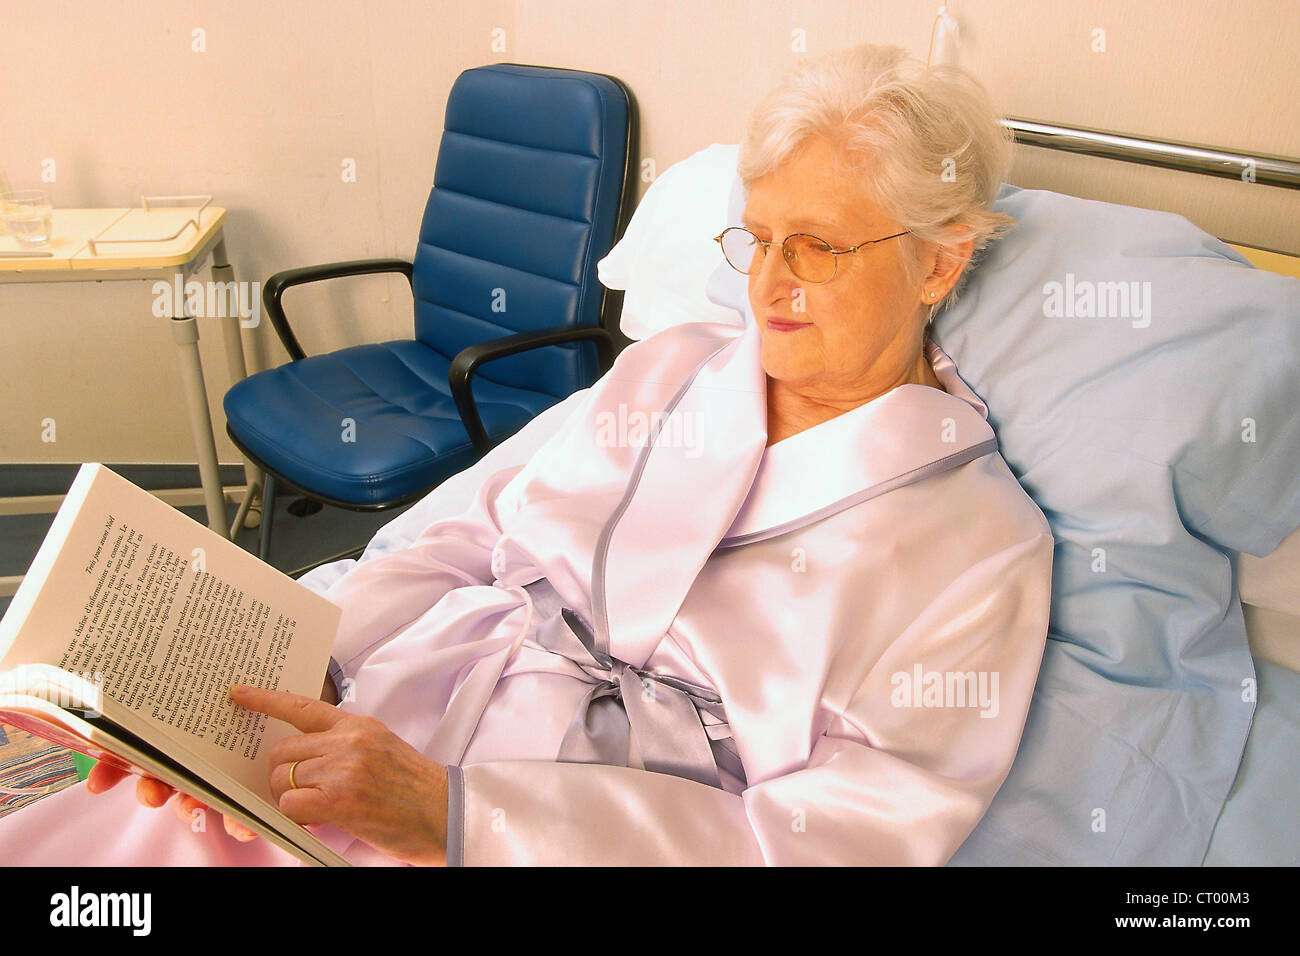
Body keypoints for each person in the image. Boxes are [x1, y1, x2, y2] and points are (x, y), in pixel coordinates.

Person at [0, 43, 1053, 866]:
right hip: (412, 691)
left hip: (585, 825)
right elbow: (459, 532)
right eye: (756, 237)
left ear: (939, 259)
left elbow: (827, 840)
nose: (766, 284)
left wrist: (460, 818)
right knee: (154, 838)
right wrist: (281, 668)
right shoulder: (677, 365)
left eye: (816, 247)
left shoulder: (978, 549)